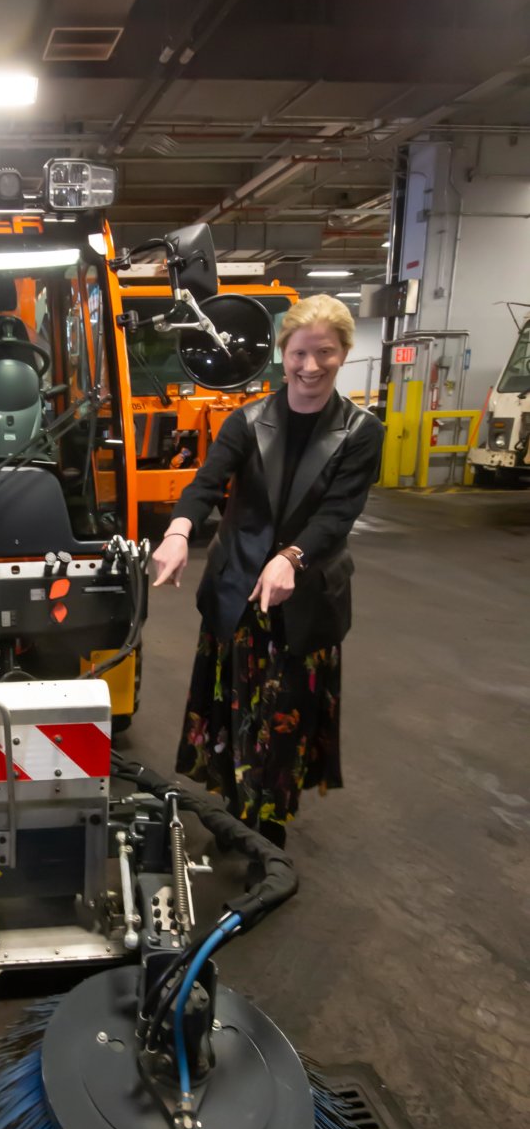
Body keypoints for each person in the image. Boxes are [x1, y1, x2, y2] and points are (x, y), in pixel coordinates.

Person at [151, 295, 384, 848]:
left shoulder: (360, 431)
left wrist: (291, 558)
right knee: (234, 707)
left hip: (305, 599)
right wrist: (179, 531)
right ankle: (235, 808)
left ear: (344, 353)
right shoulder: (246, 420)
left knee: (287, 714)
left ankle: (271, 820)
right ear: (283, 354)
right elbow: (206, 485)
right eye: (300, 353)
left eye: (324, 353)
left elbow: (337, 515)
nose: (310, 367)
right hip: (237, 591)